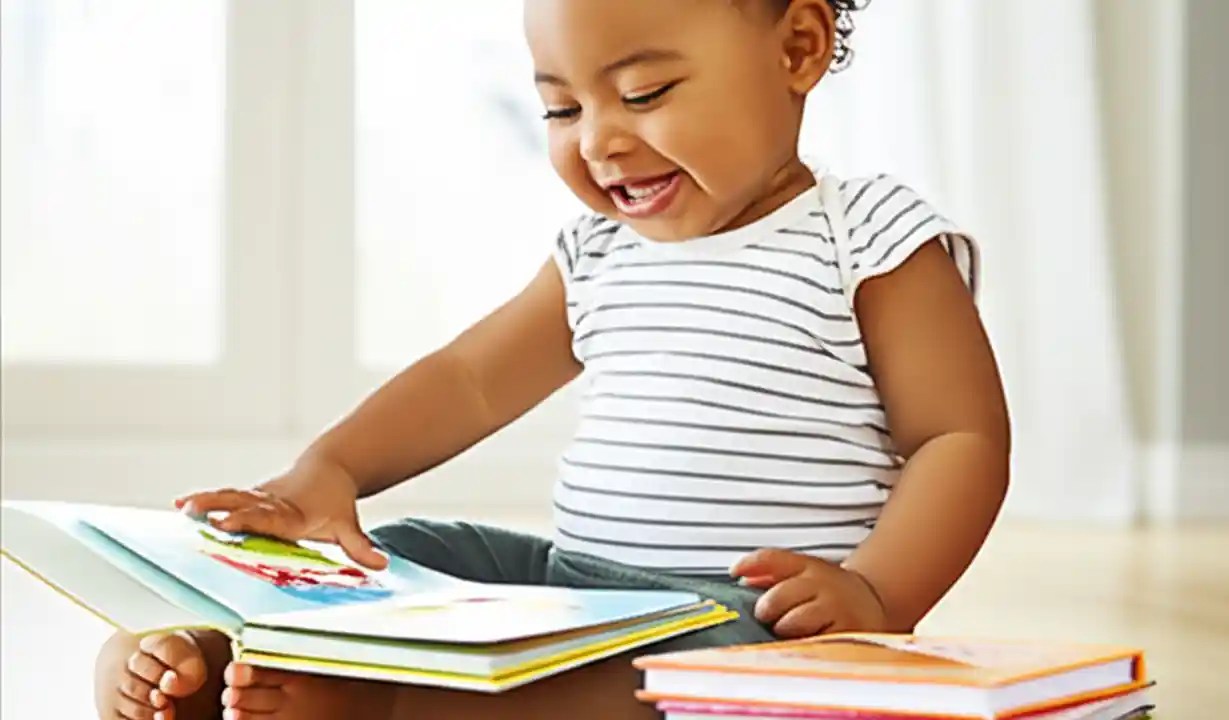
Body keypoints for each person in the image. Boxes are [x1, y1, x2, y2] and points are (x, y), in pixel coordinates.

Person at [95, 1, 1010, 717]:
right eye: (562, 108)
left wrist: (877, 596)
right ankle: (210, 656)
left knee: (715, 676)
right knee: (409, 555)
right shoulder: (599, 251)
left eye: (645, 93)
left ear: (798, 48)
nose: (598, 140)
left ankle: (394, 702)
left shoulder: (868, 236)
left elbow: (957, 437)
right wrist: (327, 472)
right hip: (568, 587)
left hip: (748, 611)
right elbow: (470, 379)